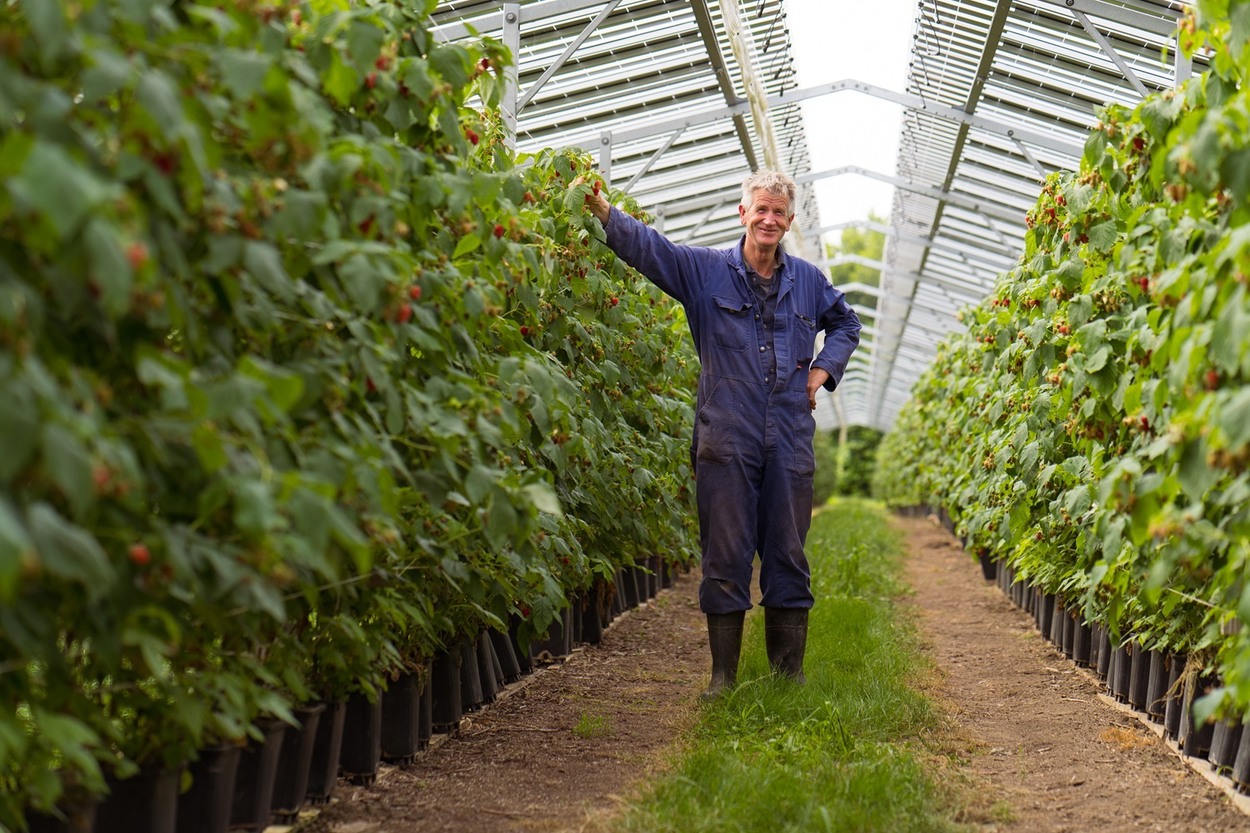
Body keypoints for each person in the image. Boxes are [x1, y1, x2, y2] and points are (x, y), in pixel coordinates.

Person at [581, 170, 862, 699]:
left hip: (789, 435)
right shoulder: (704, 270)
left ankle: (788, 677)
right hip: (726, 432)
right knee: (725, 554)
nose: (769, 220)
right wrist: (603, 212)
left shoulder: (808, 280)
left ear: (790, 221)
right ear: (743, 213)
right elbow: (649, 248)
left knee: (787, 552)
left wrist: (822, 371)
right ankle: (722, 679)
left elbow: (846, 324)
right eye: (761, 209)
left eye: (779, 212)